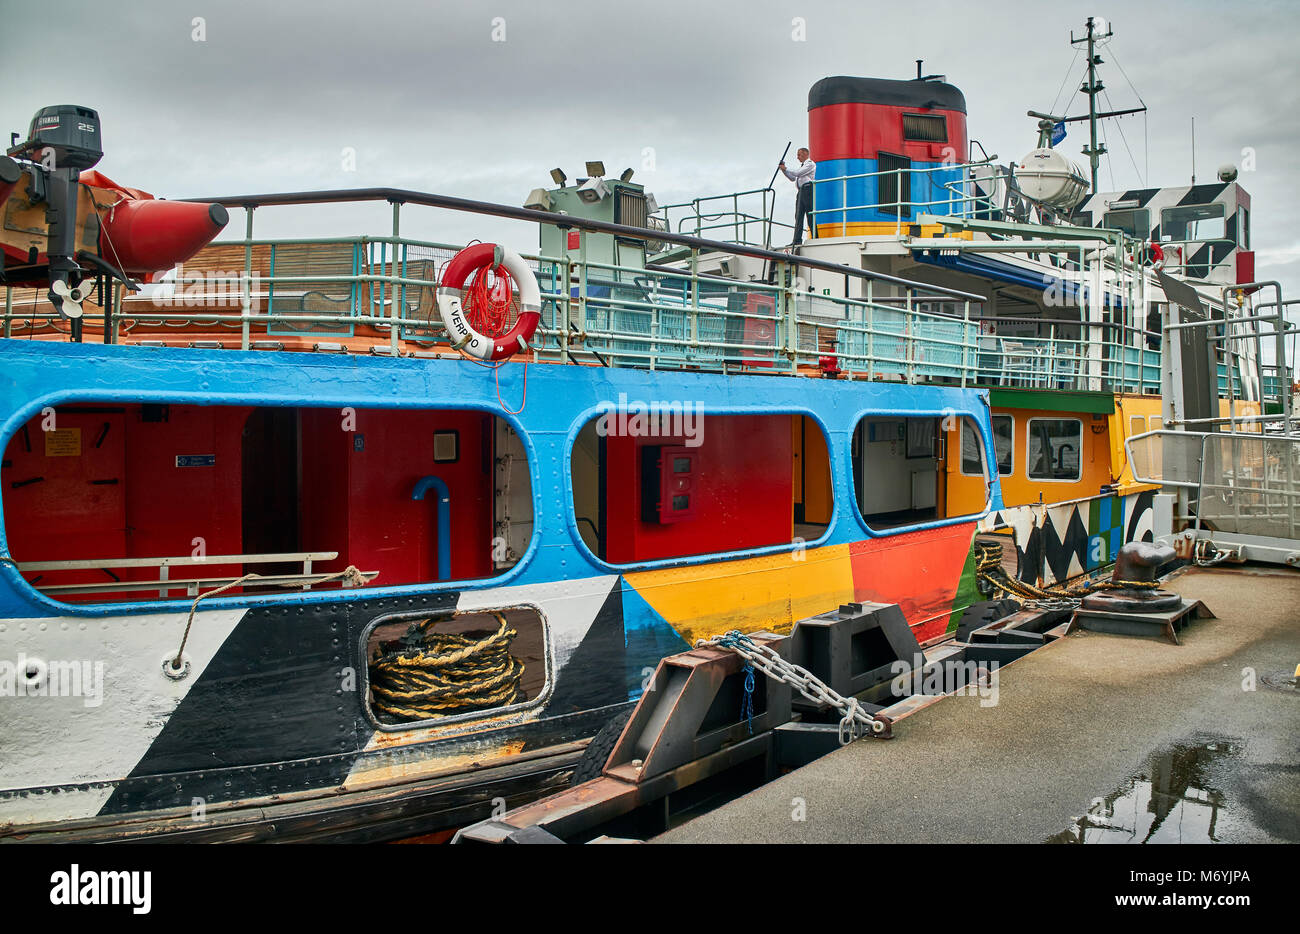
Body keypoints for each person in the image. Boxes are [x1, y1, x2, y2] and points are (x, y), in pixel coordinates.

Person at [779, 147, 816, 245]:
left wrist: (786, 168)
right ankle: (797, 240)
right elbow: (792, 178)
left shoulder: (810, 164)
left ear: (805, 154)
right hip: (801, 191)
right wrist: (784, 170)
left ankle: (815, 237)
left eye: (799, 155)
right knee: (798, 216)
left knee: (810, 214)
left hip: (807, 189)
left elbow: (797, 173)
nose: (797, 157)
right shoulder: (802, 166)